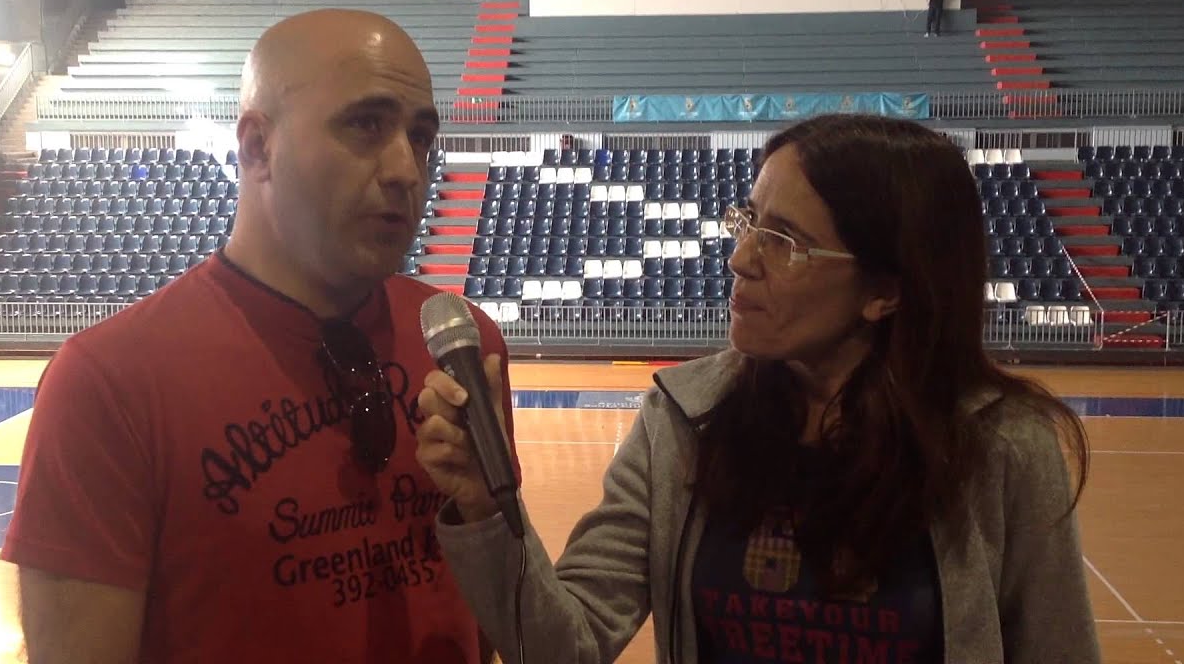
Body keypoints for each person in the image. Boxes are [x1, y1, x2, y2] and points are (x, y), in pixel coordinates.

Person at [416, 114, 1101, 664]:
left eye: (784, 241)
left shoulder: (1003, 446)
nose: (741, 259)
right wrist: (481, 507)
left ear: (885, 291)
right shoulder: (681, 423)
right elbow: (561, 647)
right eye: (749, 222)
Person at [0, 9, 517, 664]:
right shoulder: (108, 385)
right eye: (366, 126)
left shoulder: (464, 349)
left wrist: (487, 521)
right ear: (254, 146)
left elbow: (508, 630)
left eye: (420, 137)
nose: (406, 171)